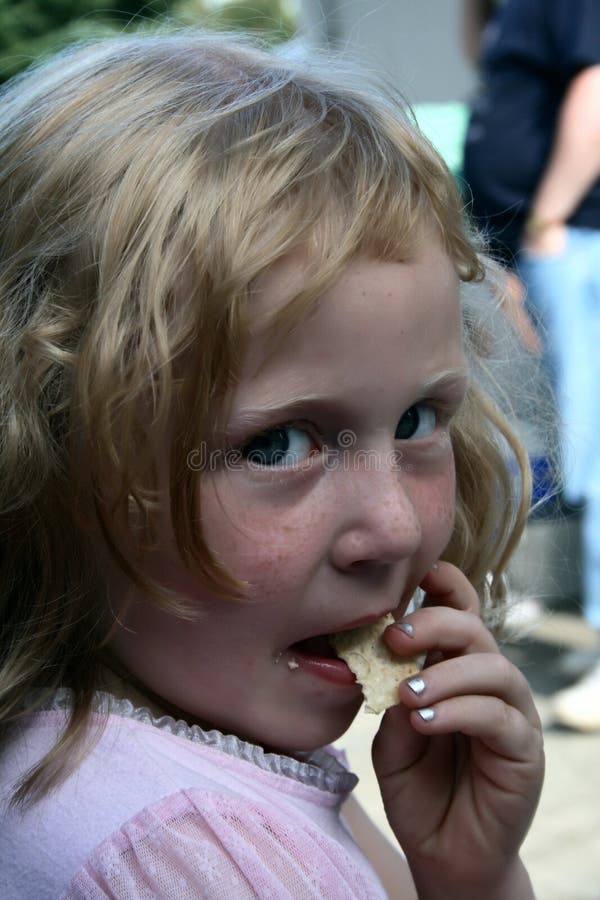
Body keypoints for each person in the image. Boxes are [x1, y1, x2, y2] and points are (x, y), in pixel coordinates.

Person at [0, 31, 544, 899]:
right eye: (277, 444)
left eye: (416, 420)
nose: (394, 529)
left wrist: (466, 873)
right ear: (45, 461)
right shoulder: (195, 853)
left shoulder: (190, 748)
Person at [462, 0, 600, 732]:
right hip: (549, 247)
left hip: (573, 238)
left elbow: (596, 89)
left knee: (593, 455)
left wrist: (545, 225)